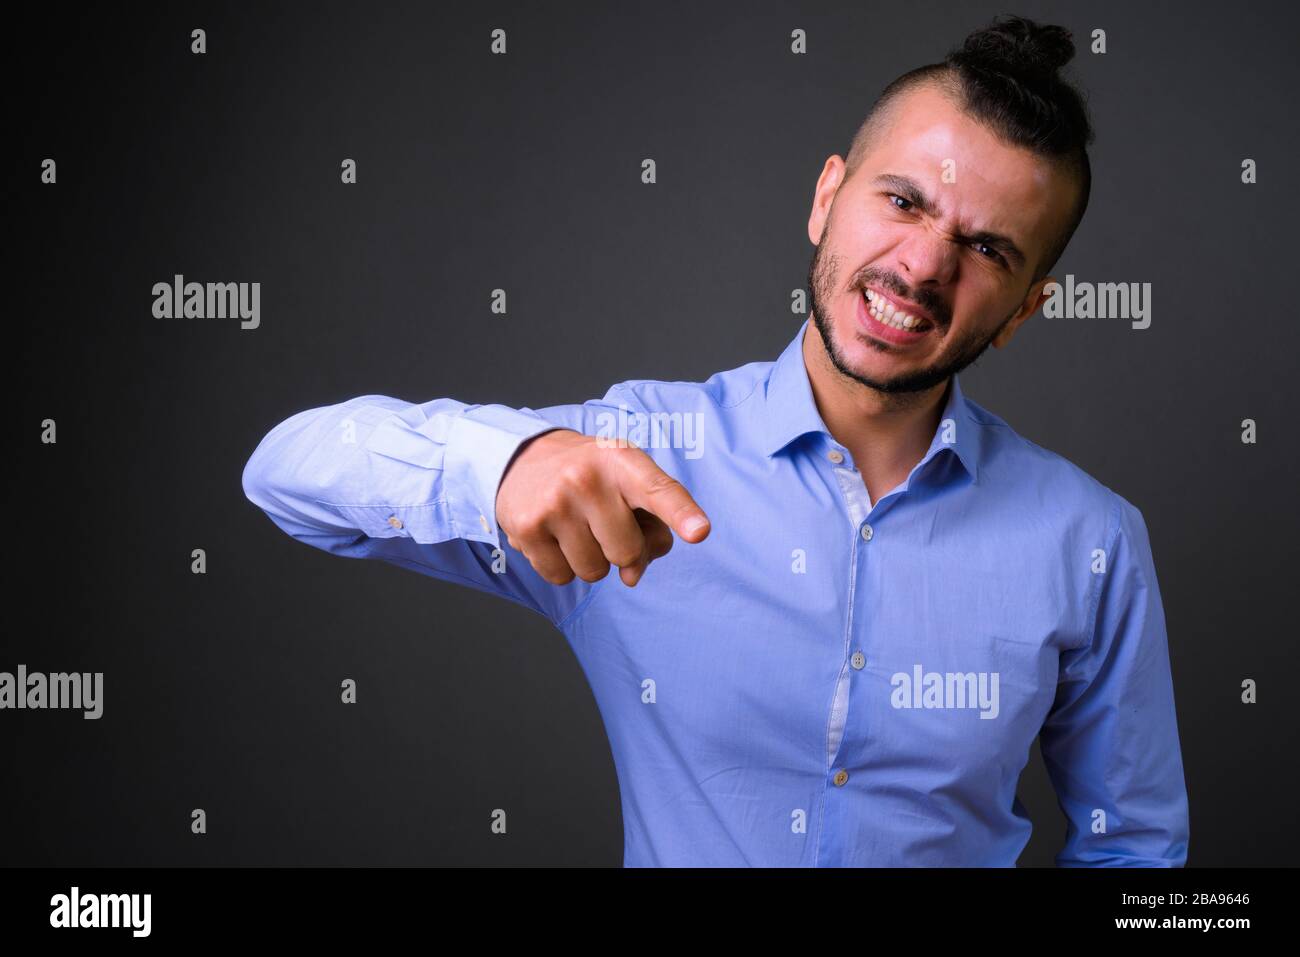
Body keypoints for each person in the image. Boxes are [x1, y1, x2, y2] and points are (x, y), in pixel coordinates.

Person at [242, 16, 1189, 867]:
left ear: (1026, 310)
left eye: (987, 249)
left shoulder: (1092, 542)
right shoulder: (633, 460)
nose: (923, 265)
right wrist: (504, 463)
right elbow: (286, 471)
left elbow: (1138, 850)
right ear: (828, 196)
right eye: (902, 202)